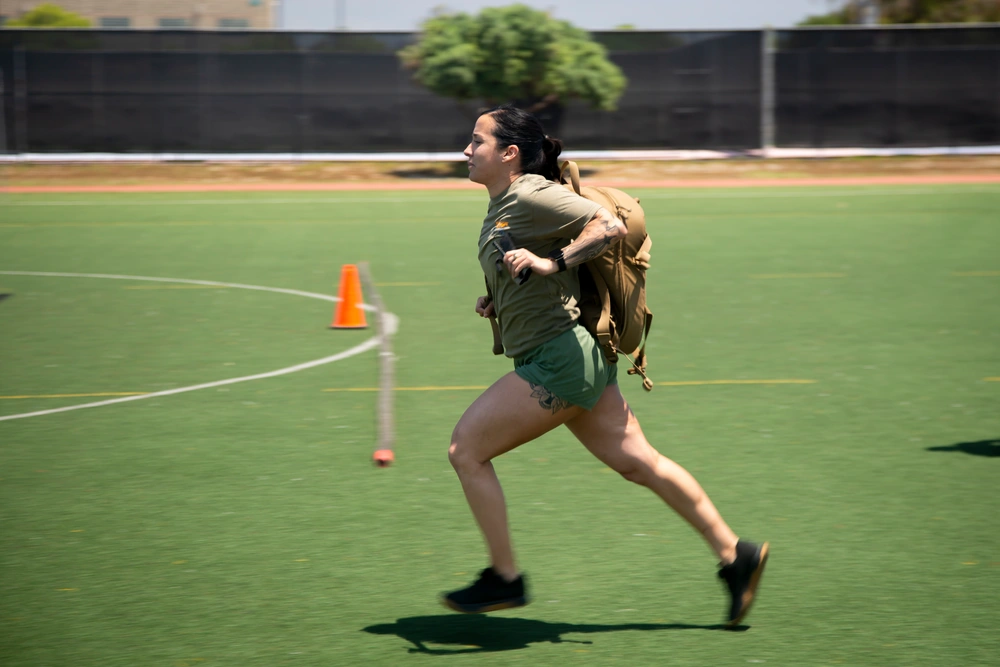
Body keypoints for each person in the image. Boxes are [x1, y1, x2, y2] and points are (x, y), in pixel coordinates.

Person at [443, 104, 768, 626]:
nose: (465, 150)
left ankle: (505, 577)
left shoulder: (528, 192)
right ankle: (736, 556)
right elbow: (525, 268)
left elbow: (607, 225)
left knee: (466, 450)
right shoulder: (505, 203)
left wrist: (553, 262)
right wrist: (498, 298)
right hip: (573, 357)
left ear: (508, 153)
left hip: (559, 360)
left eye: (475, 141)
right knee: (639, 462)